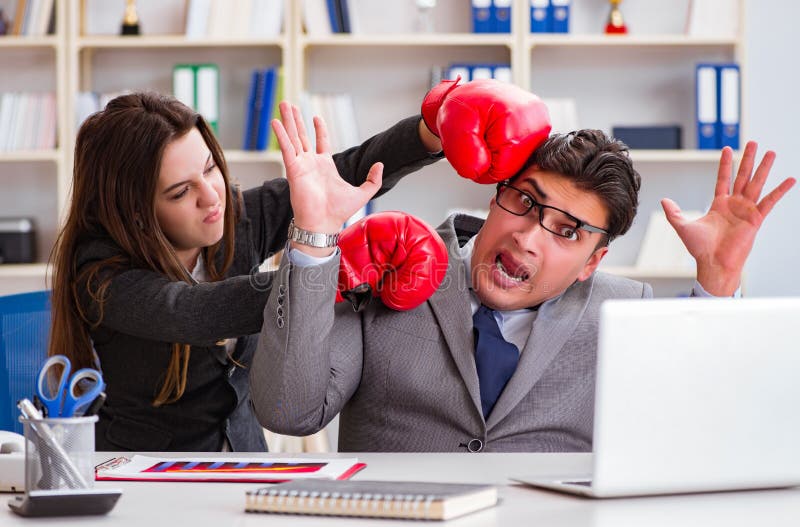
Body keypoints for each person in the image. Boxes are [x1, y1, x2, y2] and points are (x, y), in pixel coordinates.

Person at [250, 117, 795, 452]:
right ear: (496, 197)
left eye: (567, 231)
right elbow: (288, 411)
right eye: (526, 203)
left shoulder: (625, 311)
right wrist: (313, 239)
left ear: (591, 262)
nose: (529, 237)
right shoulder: (390, 264)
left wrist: (720, 280)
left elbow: (709, 434)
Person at [48, 85, 544, 452]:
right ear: (135, 210)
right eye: (180, 192)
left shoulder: (233, 219)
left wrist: (430, 131)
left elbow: (349, 169)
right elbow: (193, 312)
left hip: (243, 467)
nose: (211, 196)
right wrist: (325, 266)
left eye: (209, 168)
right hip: (141, 473)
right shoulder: (100, 272)